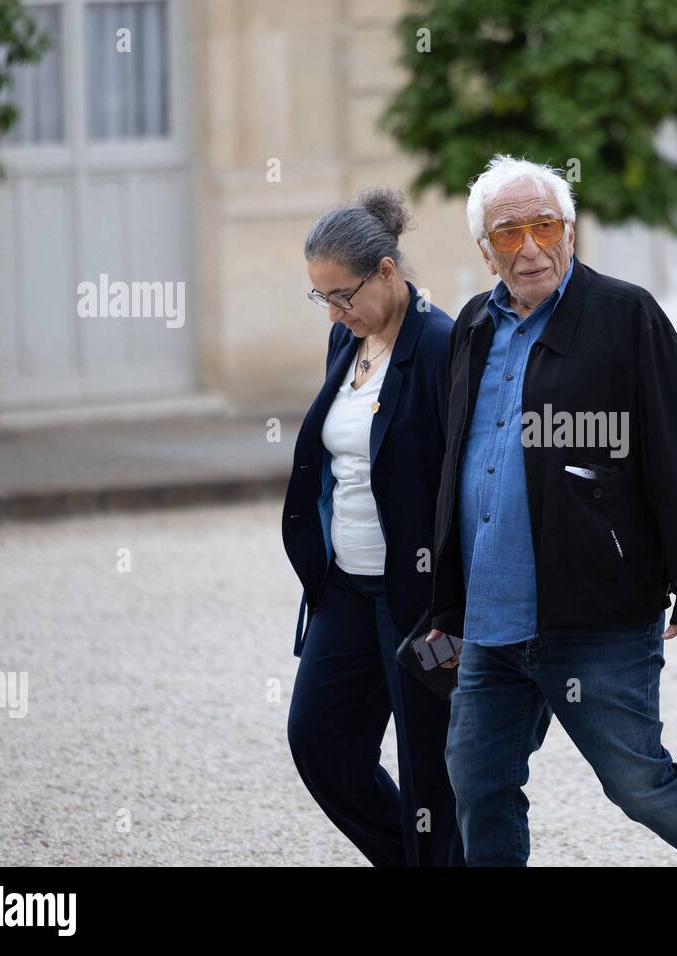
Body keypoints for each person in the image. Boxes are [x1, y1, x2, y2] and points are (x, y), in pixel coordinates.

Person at [425, 155, 677, 867]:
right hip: (492, 619)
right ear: (484, 249)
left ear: (571, 230)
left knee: (637, 782)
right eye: (509, 233)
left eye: (546, 225)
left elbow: (675, 454)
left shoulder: (626, 316)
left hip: (595, 611)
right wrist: (444, 599)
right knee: (477, 780)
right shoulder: (474, 323)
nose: (531, 247)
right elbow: (459, 461)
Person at [282, 188, 462, 866]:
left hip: (416, 600)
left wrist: (456, 604)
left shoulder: (442, 345)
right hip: (344, 590)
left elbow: (464, 480)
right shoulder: (344, 337)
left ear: (388, 272)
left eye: (342, 294)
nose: (333, 311)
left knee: (428, 772)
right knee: (320, 743)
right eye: (321, 297)